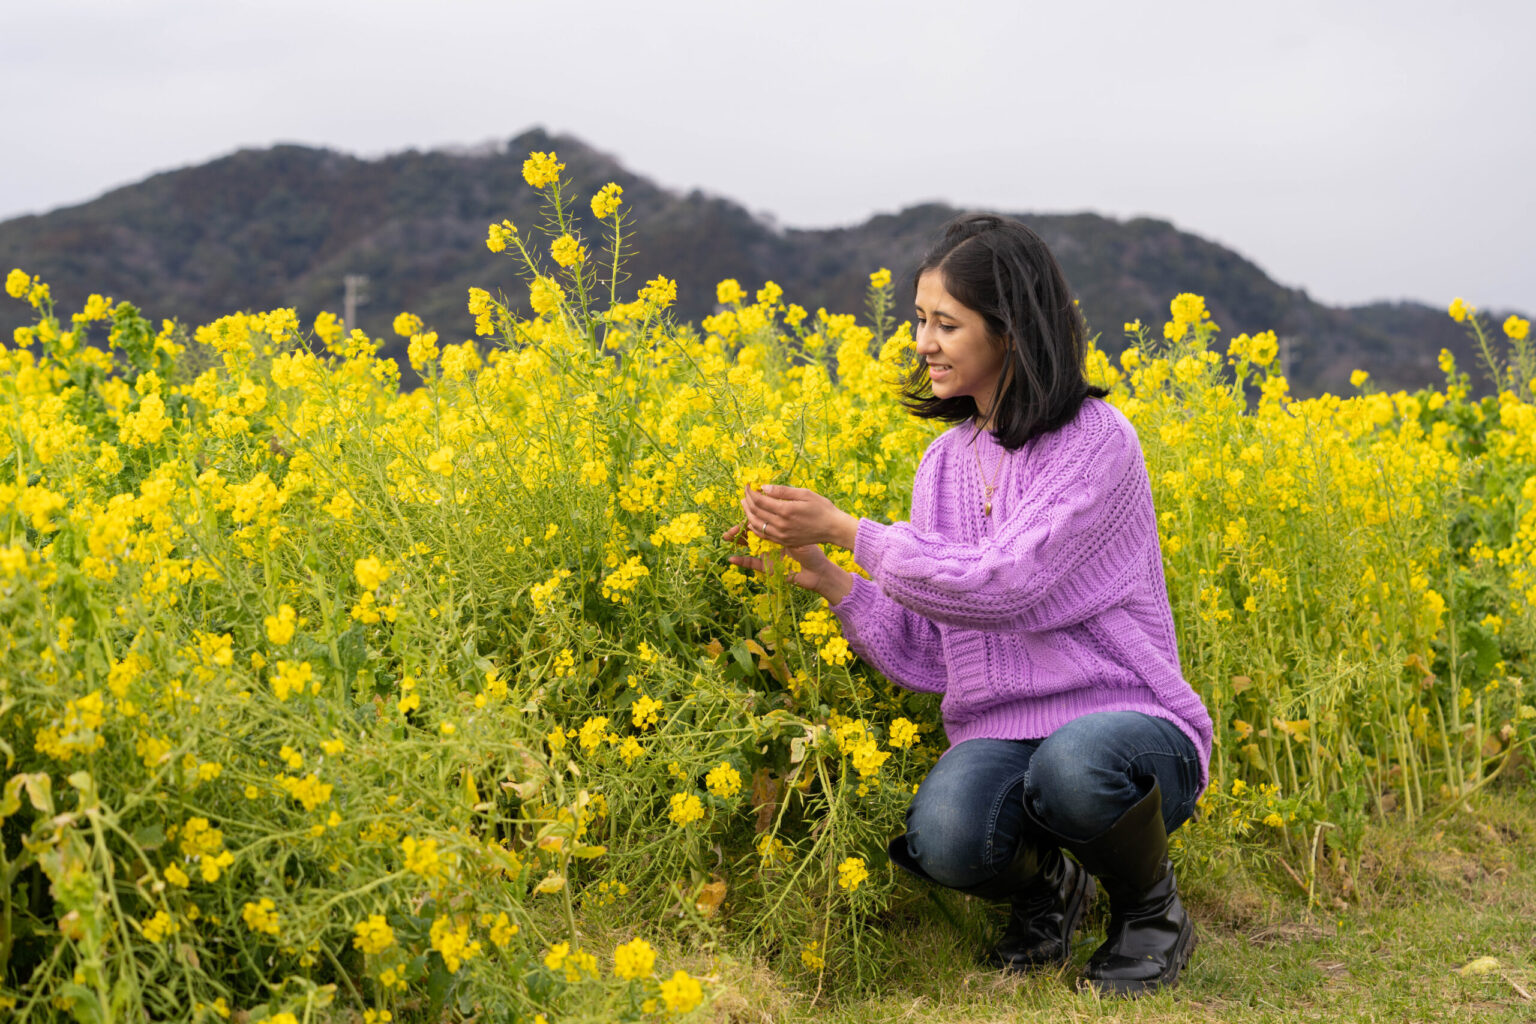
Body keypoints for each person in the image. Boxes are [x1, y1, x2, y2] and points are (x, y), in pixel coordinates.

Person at [723, 213, 1212, 997]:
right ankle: (1048, 894)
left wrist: (853, 531)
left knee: (1074, 765)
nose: (923, 342)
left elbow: (1011, 583)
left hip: (1131, 724)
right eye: (921, 321)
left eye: (945, 323)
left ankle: (1151, 914)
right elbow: (931, 648)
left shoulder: (1098, 440)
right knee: (945, 836)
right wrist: (831, 576)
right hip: (1005, 732)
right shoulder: (943, 464)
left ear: (1011, 330)